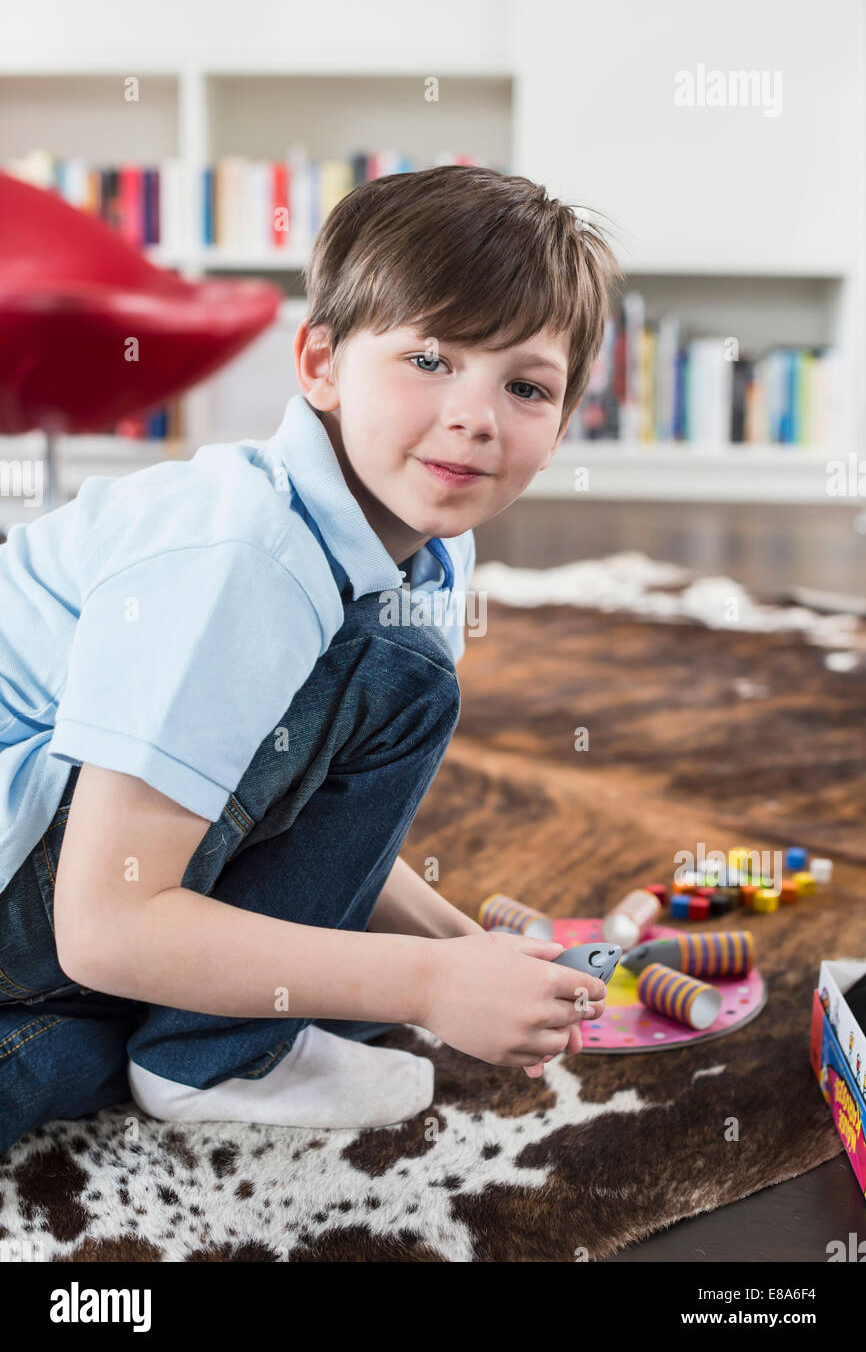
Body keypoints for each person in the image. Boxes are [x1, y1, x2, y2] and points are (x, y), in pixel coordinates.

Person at [0, 164, 623, 1152]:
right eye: (428, 359)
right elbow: (103, 924)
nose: (475, 415)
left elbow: (286, 795)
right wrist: (427, 984)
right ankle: (217, 1055)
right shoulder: (244, 556)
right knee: (394, 673)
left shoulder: (424, 539)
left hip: (57, 860)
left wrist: (468, 950)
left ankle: (171, 1040)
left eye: (524, 386)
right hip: (51, 885)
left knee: (75, 1061)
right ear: (320, 364)